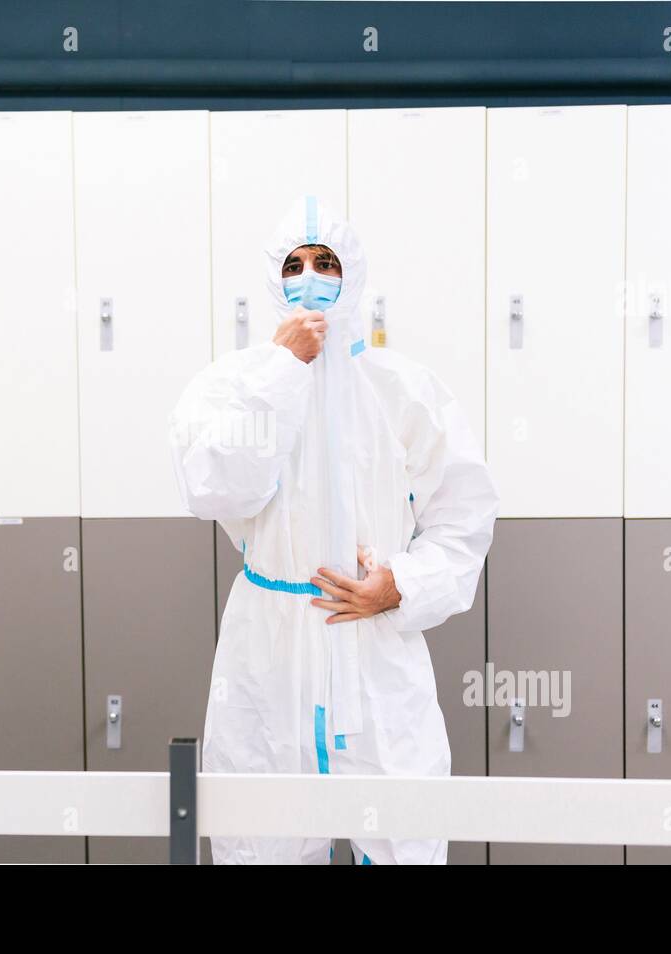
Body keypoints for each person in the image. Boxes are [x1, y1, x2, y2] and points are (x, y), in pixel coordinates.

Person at [167, 195, 500, 864]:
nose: (311, 277)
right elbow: (215, 486)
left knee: (404, 835)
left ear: (354, 274)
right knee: (261, 841)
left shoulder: (402, 388)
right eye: (295, 264)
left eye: (326, 262)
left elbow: (464, 516)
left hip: (371, 643)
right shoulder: (230, 385)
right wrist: (282, 370)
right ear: (273, 278)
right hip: (269, 652)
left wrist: (400, 585)